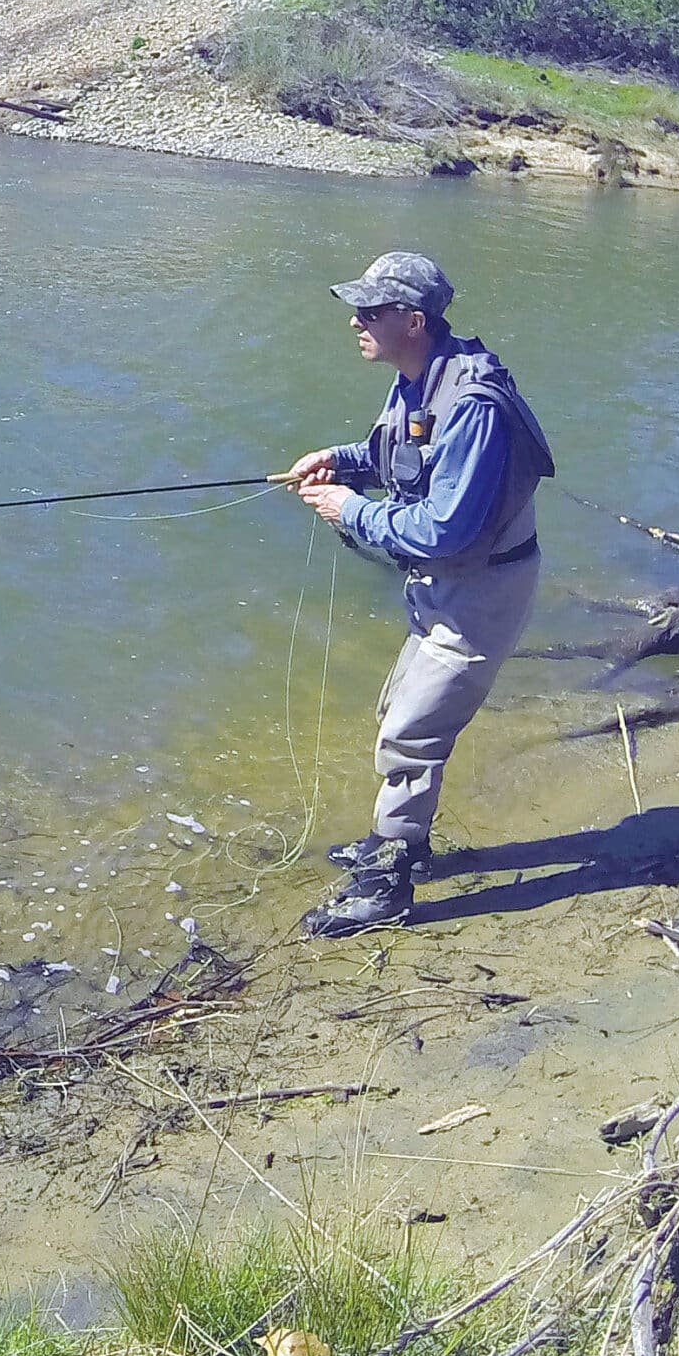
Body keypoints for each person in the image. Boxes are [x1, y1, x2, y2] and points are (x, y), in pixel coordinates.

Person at [285, 251, 555, 937]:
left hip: (483, 588)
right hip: (448, 582)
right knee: (395, 707)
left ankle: (388, 887)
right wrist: (339, 461)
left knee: (413, 731)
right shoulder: (418, 378)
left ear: (413, 320)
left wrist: (349, 510)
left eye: (370, 311)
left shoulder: (471, 405)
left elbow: (441, 528)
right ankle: (396, 839)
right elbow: (399, 453)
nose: (355, 321)